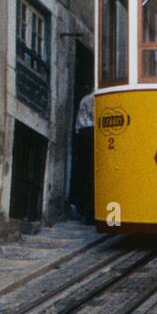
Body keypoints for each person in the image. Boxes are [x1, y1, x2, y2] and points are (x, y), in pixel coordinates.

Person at [70, 92, 94, 222]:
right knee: (92, 176)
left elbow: (78, 123)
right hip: (92, 133)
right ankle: (90, 215)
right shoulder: (96, 98)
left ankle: (83, 211)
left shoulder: (84, 98)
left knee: (84, 173)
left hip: (83, 133)